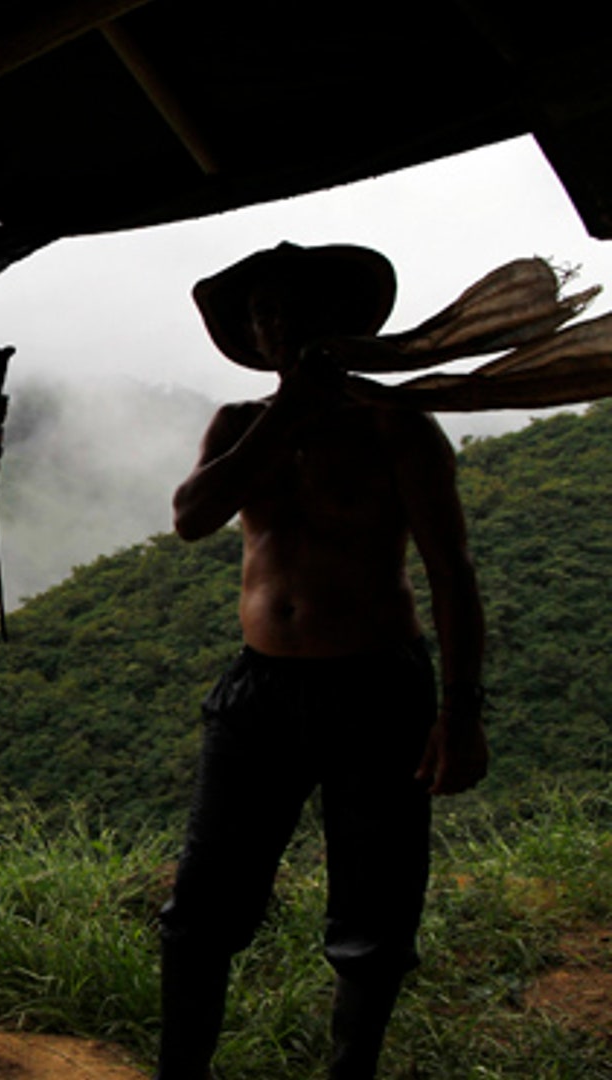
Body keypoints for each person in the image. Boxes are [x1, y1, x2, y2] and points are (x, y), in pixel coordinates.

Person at [158, 242, 489, 1079]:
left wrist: (461, 714)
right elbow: (194, 516)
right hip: (259, 688)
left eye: (298, 310)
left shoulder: (395, 426)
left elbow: (451, 573)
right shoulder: (240, 425)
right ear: (254, 336)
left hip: (377, 687)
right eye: (266, 315)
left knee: (374, 916)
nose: (282, 327)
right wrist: (285, 415)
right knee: (203, 905)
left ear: (339, 322)